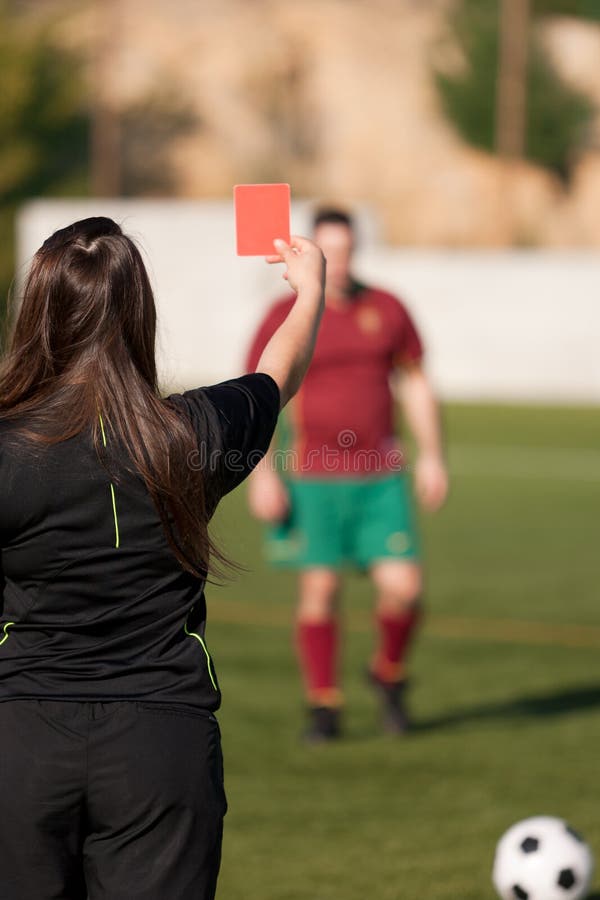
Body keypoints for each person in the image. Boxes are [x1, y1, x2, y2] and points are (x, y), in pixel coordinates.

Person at [0, 216, 325, 900]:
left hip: (21, 745)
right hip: (161, 749)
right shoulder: (196, 432)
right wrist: (310, 291)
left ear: (37, 315)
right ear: (138, 314)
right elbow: (278, 374)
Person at [245, 207, 448, 742]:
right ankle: (324, 704)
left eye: (347, 250)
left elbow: (417, 383)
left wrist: (432, 455)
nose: (339, 262)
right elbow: (258, 398)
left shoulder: (387, 308)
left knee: (404, 587)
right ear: (313, 252)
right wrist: (263, 474)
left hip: (380, 476)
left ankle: (388, 673)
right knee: (321, 588)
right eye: (328, 251)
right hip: (312, 476)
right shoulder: (285, 315)